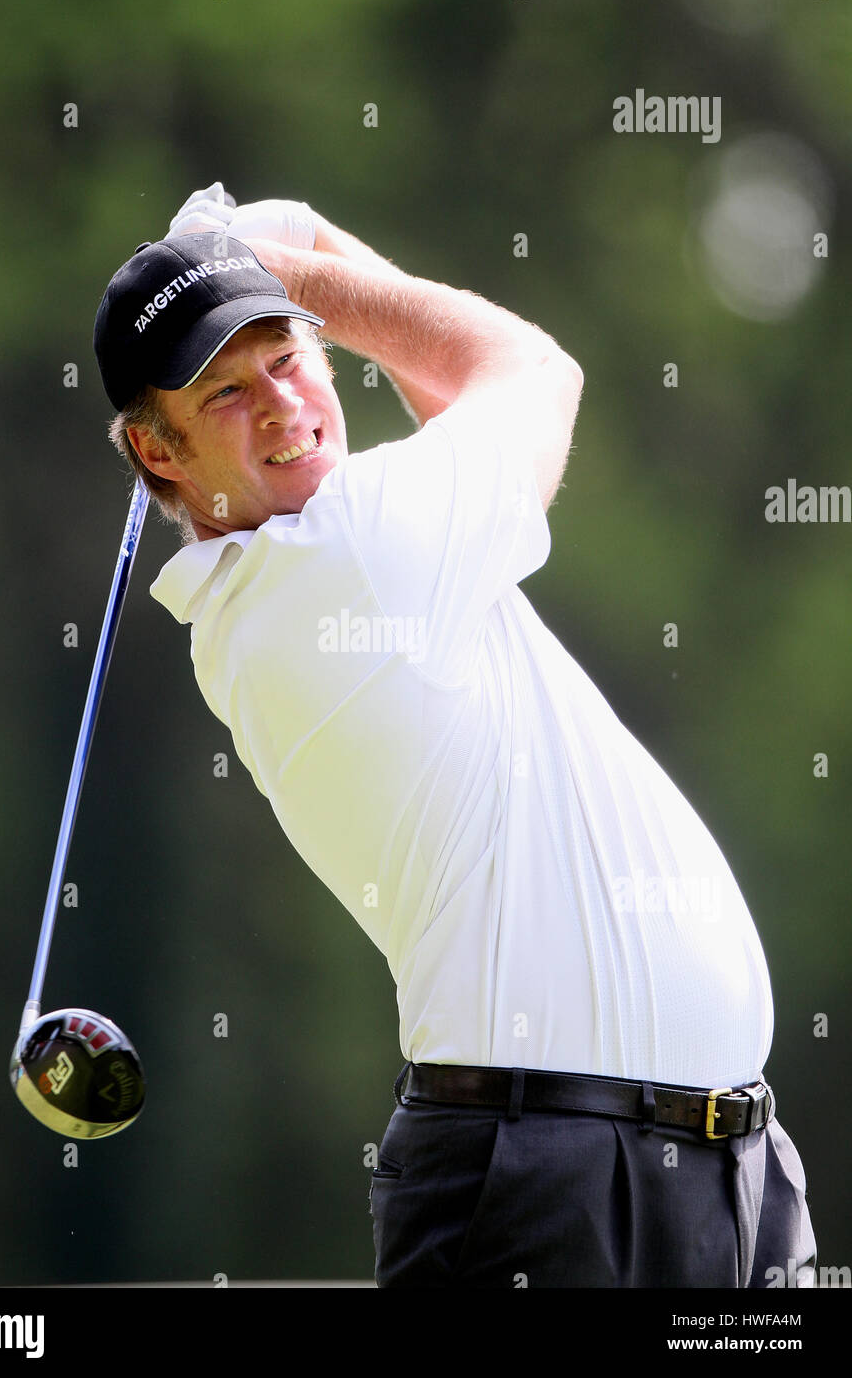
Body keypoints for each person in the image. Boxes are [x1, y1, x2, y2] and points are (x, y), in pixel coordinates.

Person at [93, 183, 816, 1289]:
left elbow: (445, 403)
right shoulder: (330, 564)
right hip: (547, 1179)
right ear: (162, 457)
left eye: (288, 359)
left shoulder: (365, 550)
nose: (283, 408)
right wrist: (315, 266)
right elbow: (528, 372)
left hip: (722, 1172)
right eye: (226, 393)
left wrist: (306, 273)